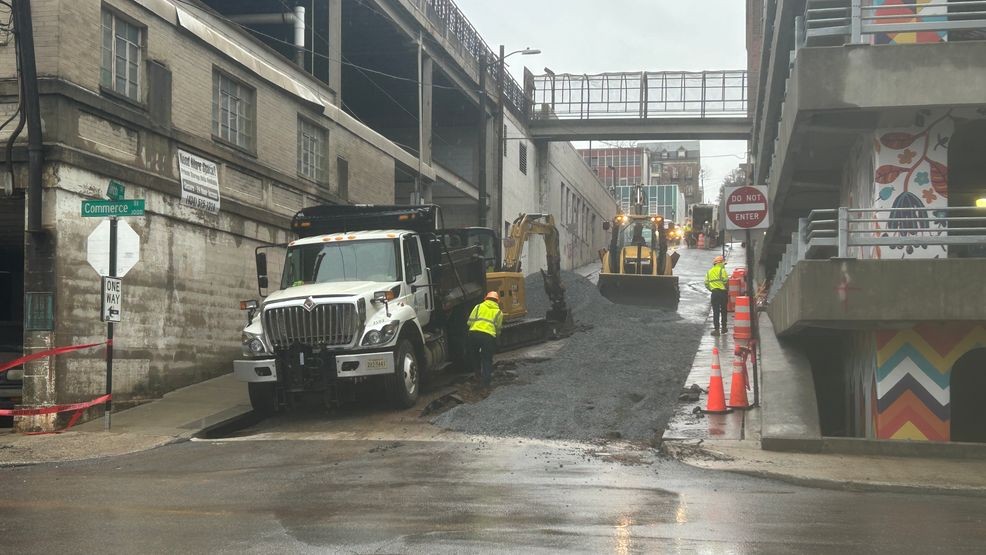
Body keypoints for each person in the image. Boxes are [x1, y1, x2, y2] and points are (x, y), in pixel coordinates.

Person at [467, 291, 504, 387]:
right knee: (487, 358)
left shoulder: (478, 306)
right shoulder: (498, 312)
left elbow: (469, 322)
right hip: (488, 337)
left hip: (474, 334)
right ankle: (486, 382)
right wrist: (497, 339)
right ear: (497, 301)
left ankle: (477, 375)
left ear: (486, 298)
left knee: (475, 356)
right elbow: (498, 329)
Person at [705, 255, 729, 336]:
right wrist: (727, 290)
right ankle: (724, 328)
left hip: (714, 293)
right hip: (723, 293)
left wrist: (712, 289)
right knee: (724, 310)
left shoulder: (709, 272)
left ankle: (716, 330)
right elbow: (726, 281)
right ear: (721, 263)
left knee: (716, 311)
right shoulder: (722, 270)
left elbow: (706, 283)